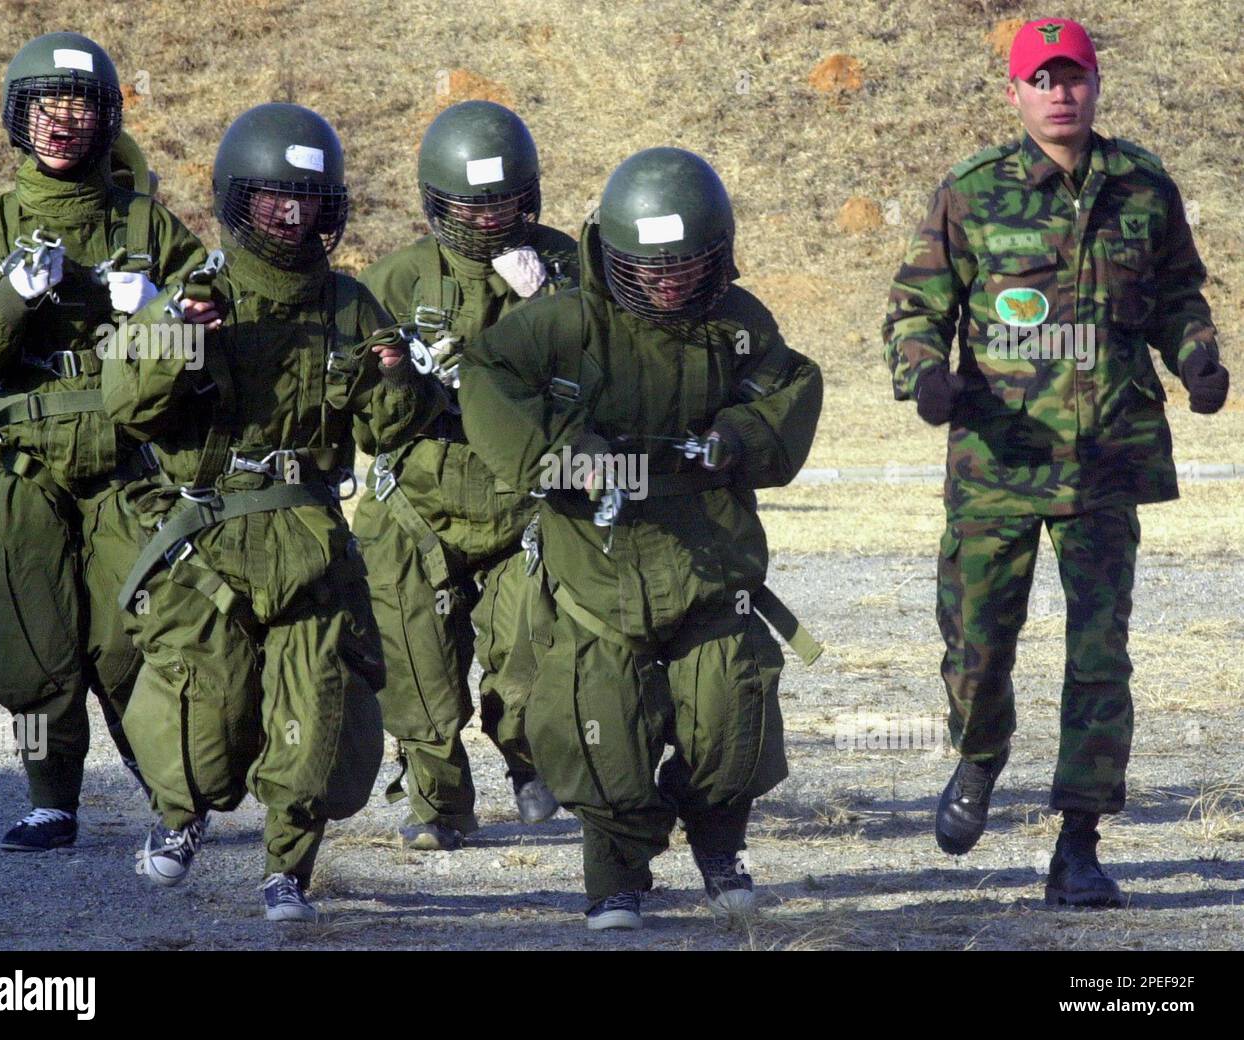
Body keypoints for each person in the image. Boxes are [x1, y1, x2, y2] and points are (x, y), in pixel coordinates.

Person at [883, 18, 1230, 907]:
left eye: (1072, 75)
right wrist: (924, 378)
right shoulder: (972, 193)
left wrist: (1195, 354)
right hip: (1000, 460)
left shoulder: (1143, 188)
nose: (1059, 91)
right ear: (1015, 93)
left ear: (1096, 83)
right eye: (1041, 78)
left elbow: (1178, 292)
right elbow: (916, 308)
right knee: (976, 645)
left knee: (1099, 655)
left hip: (1108, 459)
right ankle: (976, 755)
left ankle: (1079, 841)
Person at [459, 147, 823, 929]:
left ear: (718, 256)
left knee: (732, 722)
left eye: (687, 266)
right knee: (603, 733)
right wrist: (563, 449)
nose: (667, 282)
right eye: (647, 268)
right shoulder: (564, 323)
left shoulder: (737, 325)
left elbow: (792, 386)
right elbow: (485, 374)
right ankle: (614, 877)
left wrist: (739, 435)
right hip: (600, 570)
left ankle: (721, 847)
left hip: (709, 559)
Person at [103, 102, 419, 921]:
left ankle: (288, 868)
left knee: (313, 710)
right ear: (238, 201)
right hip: (207, 536)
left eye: (306, 198)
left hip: (310, 537)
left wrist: (395, 378)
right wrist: (176, 335)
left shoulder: (352, 306)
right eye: (272, 196)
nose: (289, 212)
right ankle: (180, 816)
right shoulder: (197, 296)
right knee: (210, 709)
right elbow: (129, 404)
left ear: (331, 207)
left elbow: (393, 432)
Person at [0, 31, 206, 851]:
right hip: (22, 462)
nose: (63, 124)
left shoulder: (147, 224)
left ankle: (168, 794)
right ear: (18, 119)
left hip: (127, 462)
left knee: (134, 641)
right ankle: (48, 795)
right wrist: (12, 302)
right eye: (46, 107)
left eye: (81, 107)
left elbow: (215, 343)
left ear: (107, 119)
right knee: (29, 648)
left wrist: (162, 309)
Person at [354, 100, 577, 850]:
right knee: (418, 669)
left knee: (530, 652)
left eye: (503, 203)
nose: (486, 220)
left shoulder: (566, 266)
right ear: (434, 203)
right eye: (466, 205)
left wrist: (545, 307)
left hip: (524, 503)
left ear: (531, 195)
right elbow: (365, 425)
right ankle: (439, 805)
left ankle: (528, 757)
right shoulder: (393, 282)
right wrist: (406, 384)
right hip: (420, 501)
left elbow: (606, 379)